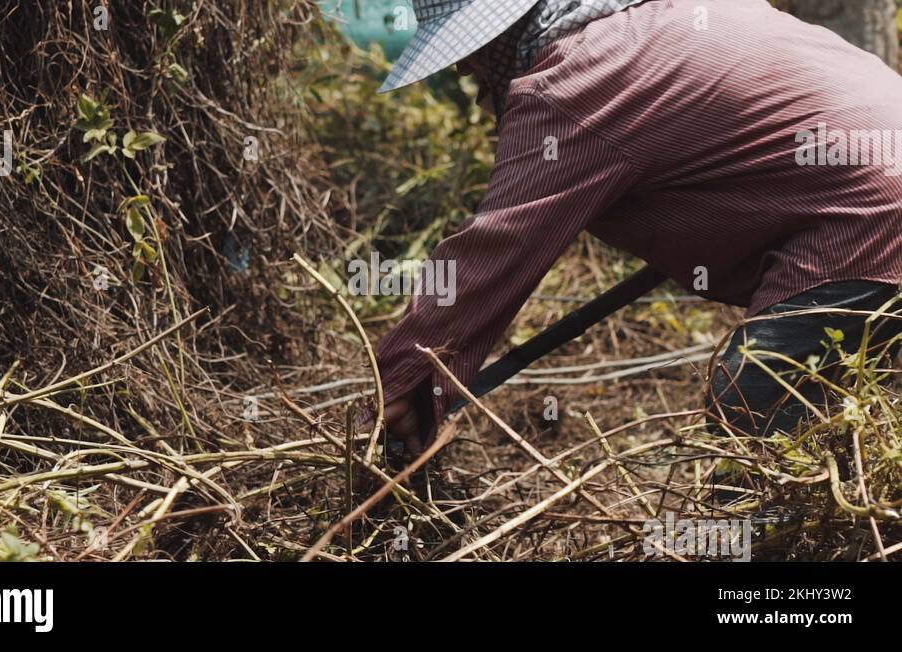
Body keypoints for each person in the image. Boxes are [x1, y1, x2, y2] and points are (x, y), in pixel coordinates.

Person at [372, 0, 902, 456]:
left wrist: (399, 381)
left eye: (471, 47)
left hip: (871, 217)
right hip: (874, 193)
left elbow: (497, 249)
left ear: (508, 27)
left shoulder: (577, 80)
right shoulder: (662, 19)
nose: (465, 69)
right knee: (847, 417)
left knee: (755, 409)